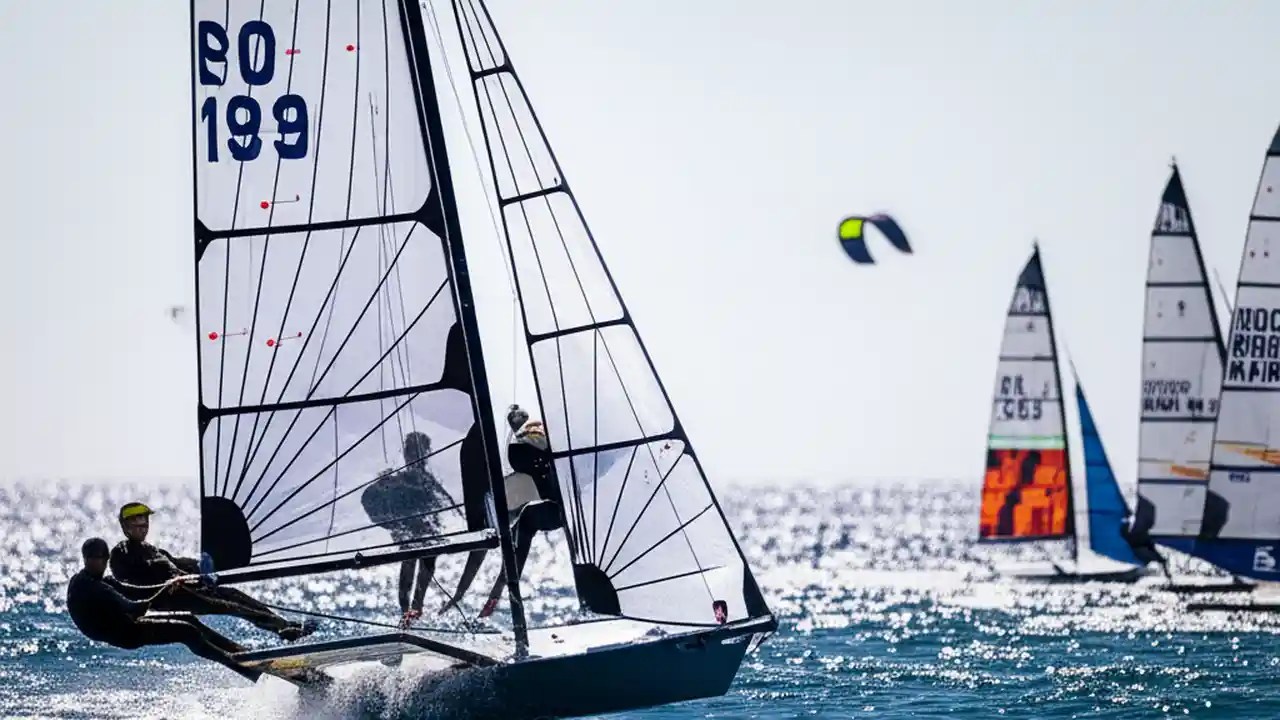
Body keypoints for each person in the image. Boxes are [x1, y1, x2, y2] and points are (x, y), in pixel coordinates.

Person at [110, 502, 313, 641]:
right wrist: (172, 578)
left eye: (144, 521)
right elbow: (150, 571)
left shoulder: (151, 549)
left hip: (185, 591)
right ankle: (283, 630)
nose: (142, 526)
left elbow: (172, 562)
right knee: (231, 606)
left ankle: (283, 624)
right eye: (136, 523)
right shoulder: (122, 552)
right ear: (125, 526)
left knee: (234, 595)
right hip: (168, 599)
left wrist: (200, 566)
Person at [68, 537, 261, 683]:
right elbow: (134, 607)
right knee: (188, 632)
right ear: (85, 559)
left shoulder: (103, 581)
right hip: (125, 633)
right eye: (93, 559)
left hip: (123, 623)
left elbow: (132, 591)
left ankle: (240, 652)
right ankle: (249, 671)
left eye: (102, 559)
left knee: (188, 619)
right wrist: (161, 592)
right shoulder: (89, 586)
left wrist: (167, 584)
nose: (98, 563)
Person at [361, 431, 458, 627]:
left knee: (428, 563)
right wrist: (393, 522)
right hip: (408, 529)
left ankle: (417, 606)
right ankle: (406, 611)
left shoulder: (426, 478)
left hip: (428, 528)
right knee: (408, 565)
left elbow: (446, 501)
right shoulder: (400, 477)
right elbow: (368, 497)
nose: (416, 456)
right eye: (412, 452)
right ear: (406, 453)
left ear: (427, 453)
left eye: (420, 452)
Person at [478, 405, 567, 619]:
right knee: (523, 524)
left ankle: (494, 601)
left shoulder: (540, 437)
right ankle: (494, 601)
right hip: (552, 498)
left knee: (525, 520)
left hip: (568, 499)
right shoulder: (521, 453)